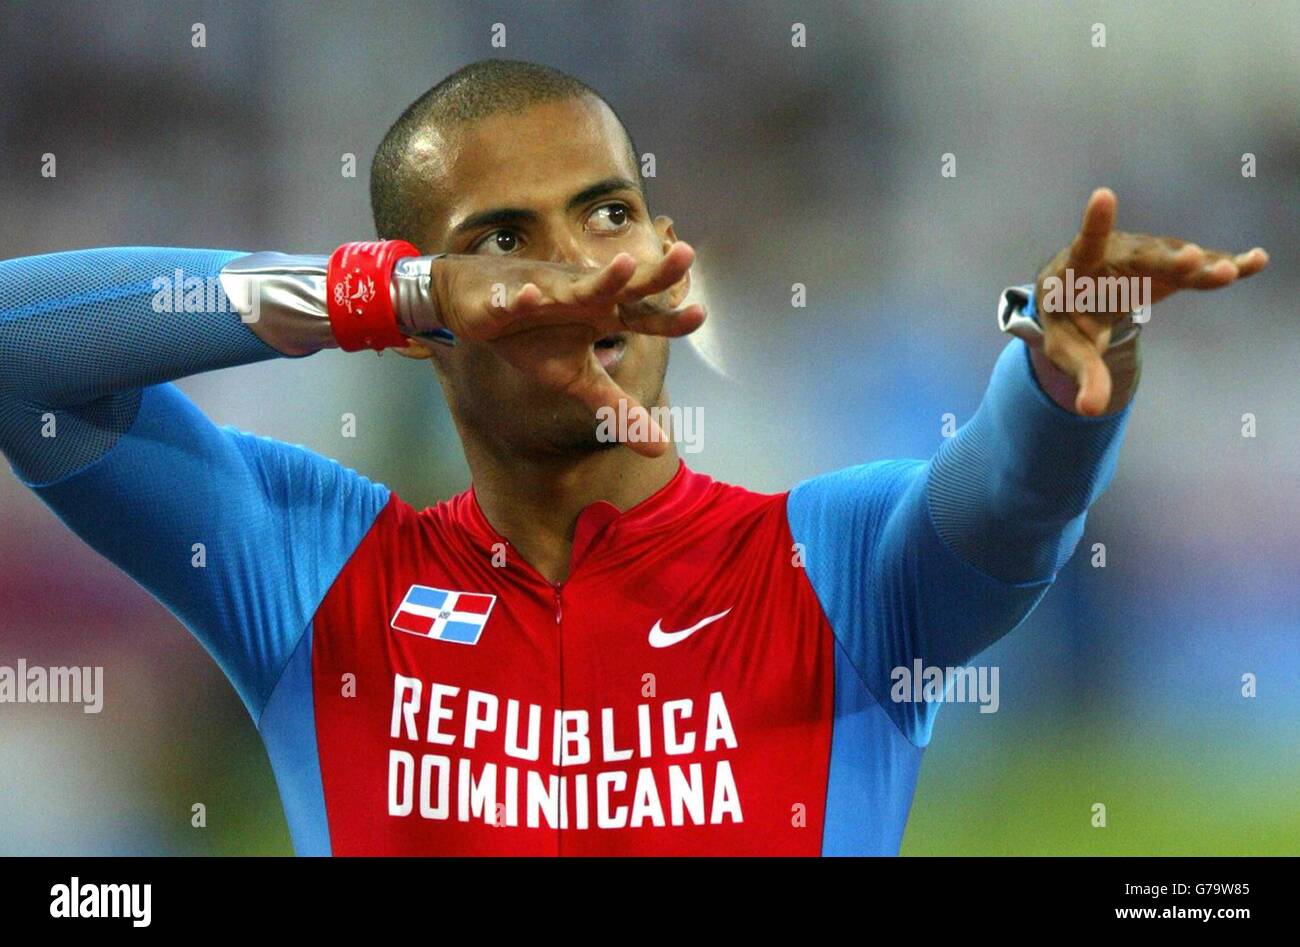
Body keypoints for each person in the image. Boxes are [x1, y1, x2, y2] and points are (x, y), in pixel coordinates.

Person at [0, 59, 1267, 855]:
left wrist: (1054, 387)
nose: (573, 271)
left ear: (667, 256)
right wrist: (360, 293)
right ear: (422, 317)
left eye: (605, 215)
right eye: (504, 240)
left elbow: (1009, 501)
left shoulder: (838, 567)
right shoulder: (311, 569)